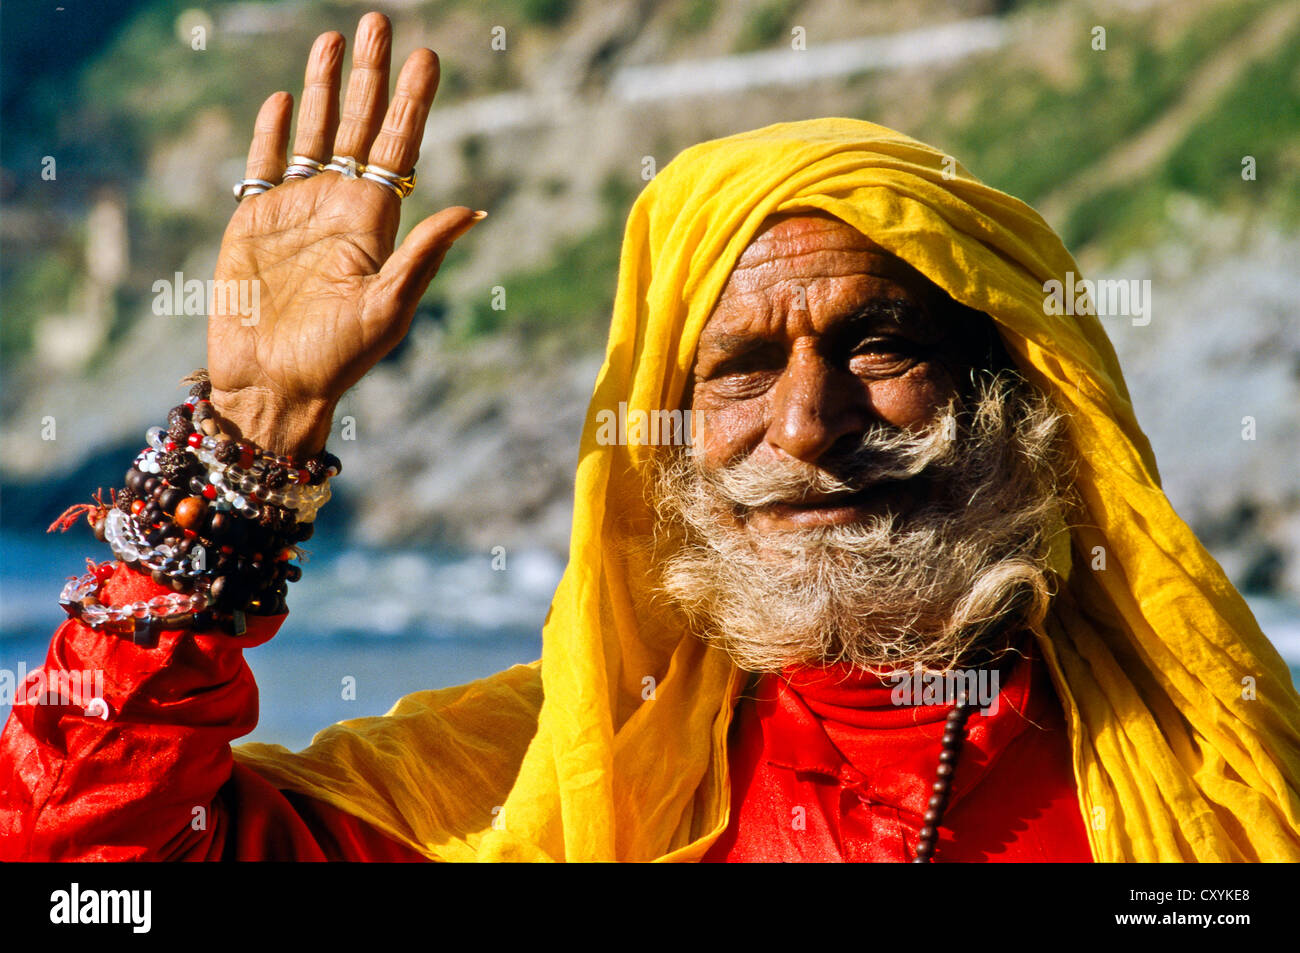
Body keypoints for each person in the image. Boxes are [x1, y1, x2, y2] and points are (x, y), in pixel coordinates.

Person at [2, 12, 1298, 863]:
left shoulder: (1222, 799)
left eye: (879, 345)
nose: (807, 421)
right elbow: (75, 865)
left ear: (1011, 396)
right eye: (740, 367)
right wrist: (255, 426)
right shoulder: (533, 792)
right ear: (670, 449)